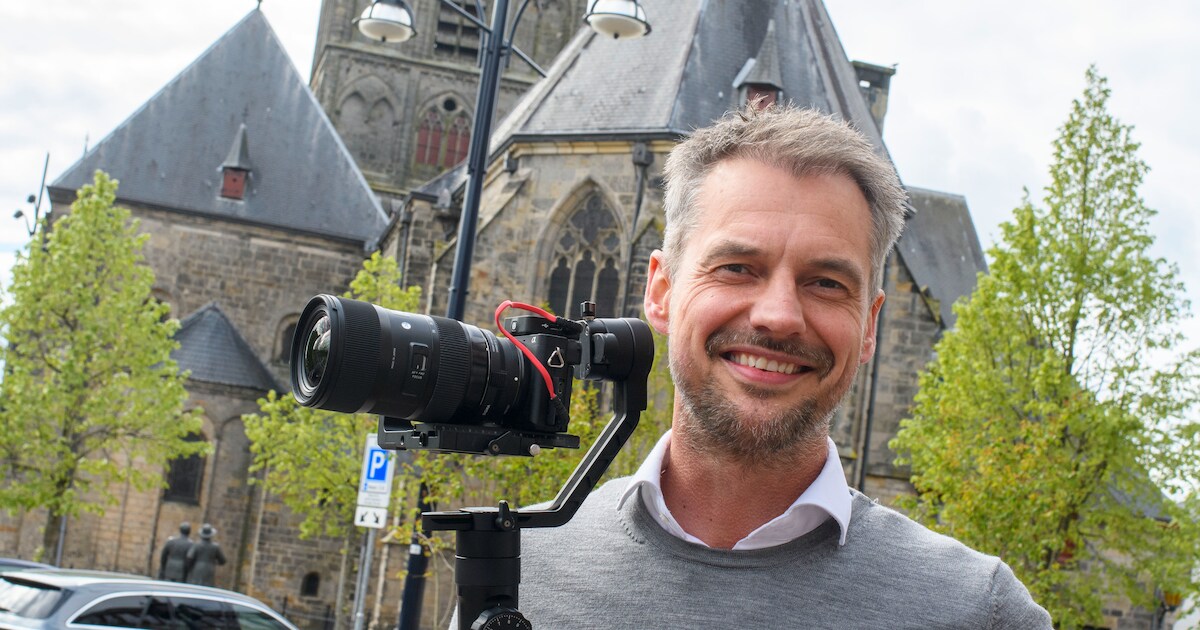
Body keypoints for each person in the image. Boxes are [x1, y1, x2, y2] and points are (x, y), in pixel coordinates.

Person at [513, 105, 1053, 628]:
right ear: (661, 292)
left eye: (826, 283)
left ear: (869, 325)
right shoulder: (515, 571)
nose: (779, 316)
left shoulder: (978, 611)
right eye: (737, 268)